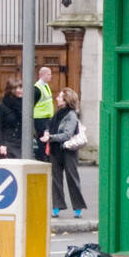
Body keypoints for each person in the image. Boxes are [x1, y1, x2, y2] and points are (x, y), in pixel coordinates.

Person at [43, 87, 88, 218]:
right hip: (56, 151)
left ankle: (78, 207)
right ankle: (56, 207)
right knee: (56, 180)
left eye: (60, 97)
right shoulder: (58, 113)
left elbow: (67, 134)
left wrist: (50, 137)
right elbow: (51, 125)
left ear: (66, 100)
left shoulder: (71, 116)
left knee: (72, 179)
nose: (57, 98)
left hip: (68, 151)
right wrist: (47, 131)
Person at [0, 78, 23, 158]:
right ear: (10, 90)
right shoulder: (2, 106)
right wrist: (1, 145)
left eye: (21, 88)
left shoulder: (25, 104)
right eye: (16, 88)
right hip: (8, 143)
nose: (20, 90)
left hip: (22, 143)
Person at [32, 66, 54, 161]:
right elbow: (31, 103)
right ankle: (42, 158)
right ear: (43, 75)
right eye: (49, 74)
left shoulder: (45, 86)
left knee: (46, 140)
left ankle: (46, 157)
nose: (51, 76)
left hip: (47, 117)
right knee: (42, 140)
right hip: (40, 118)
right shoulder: (37, 88)